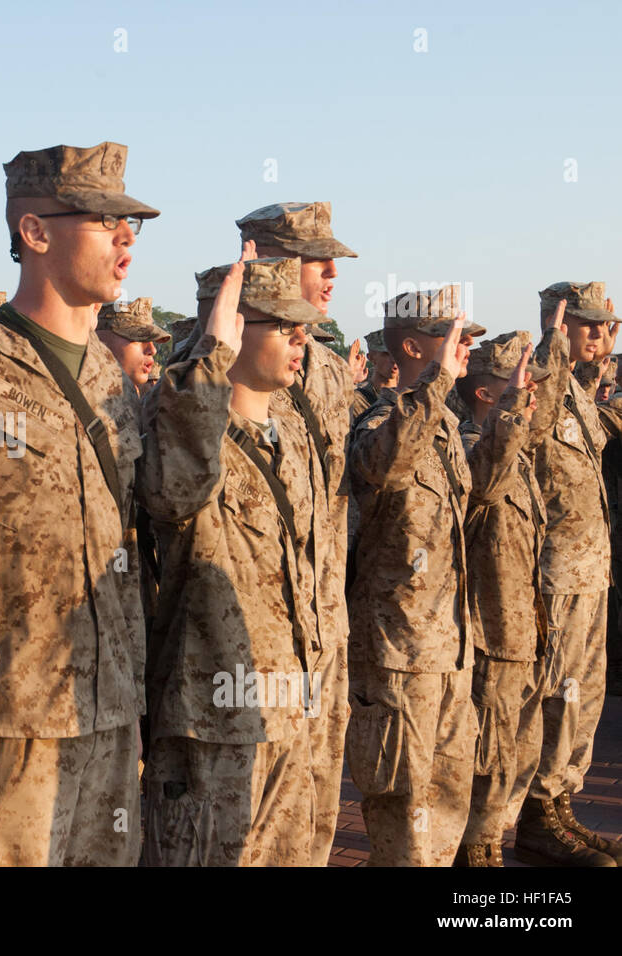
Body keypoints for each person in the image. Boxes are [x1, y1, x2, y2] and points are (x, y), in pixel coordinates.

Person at [0, 141, 155, 865]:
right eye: (103, 219)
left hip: (107, 708)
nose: (126, 237)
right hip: (3, 720)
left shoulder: (113, 377)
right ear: (35, 232)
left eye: (131, 222)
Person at [141, 253, 322, 866]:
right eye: (285, 329)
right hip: (212, 716)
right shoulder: (187, 429)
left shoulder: (290, 432)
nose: (303, 341)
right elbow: (174, 494)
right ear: (235, 330)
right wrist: (208, 355)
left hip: (285, 704)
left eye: (304, 329)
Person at [237, 200, 360, 865]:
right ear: (263, 260)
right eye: (316, 260)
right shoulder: (224, 365)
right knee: (251, 827)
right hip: (256, 643)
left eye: (333, 261)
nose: (331, 274)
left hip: (326, 623)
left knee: (316, 807)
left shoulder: (332, 371)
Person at [348, 286, 488, 866]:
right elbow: (385, 463)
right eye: (450, 337)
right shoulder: (381, 422)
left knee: (449, 797)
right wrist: (433, 388)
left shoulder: (445, 427)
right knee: (405, 806)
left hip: (449, 647)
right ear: (411, 346)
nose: (464, 349)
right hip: (398, 651)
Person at [515, 281, 622, 865]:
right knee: (556, 696)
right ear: (559, 325)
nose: (602, 336)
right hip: (553, 575)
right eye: (590, 325)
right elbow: (524, 433)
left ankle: (560, 805)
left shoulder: (582, 397)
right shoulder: (540, 384)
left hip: (589, 573)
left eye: (609, 325)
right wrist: (554, 346)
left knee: (586, 694)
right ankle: (536, 813)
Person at [453, 328, 562, 866]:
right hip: (488, 636)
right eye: (515, 384)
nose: (530, 393)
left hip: (522, 632)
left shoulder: (516, 454)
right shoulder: (471, 449)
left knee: (518, 754)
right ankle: (476, 855)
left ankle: (491, 842)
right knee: (487, 758)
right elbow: (485, 484)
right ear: (483, 393)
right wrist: (515, 412)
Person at [96, 297, 170, 396]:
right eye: (137, 338)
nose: (152, 350)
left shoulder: (129, 401)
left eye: (151, 341)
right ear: (100, 338)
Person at [352, 329, 399, 422]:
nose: (393, 360)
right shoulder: (355, 401)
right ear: (371, 357)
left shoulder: (409, 399)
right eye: (386, 354)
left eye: (397, 353)